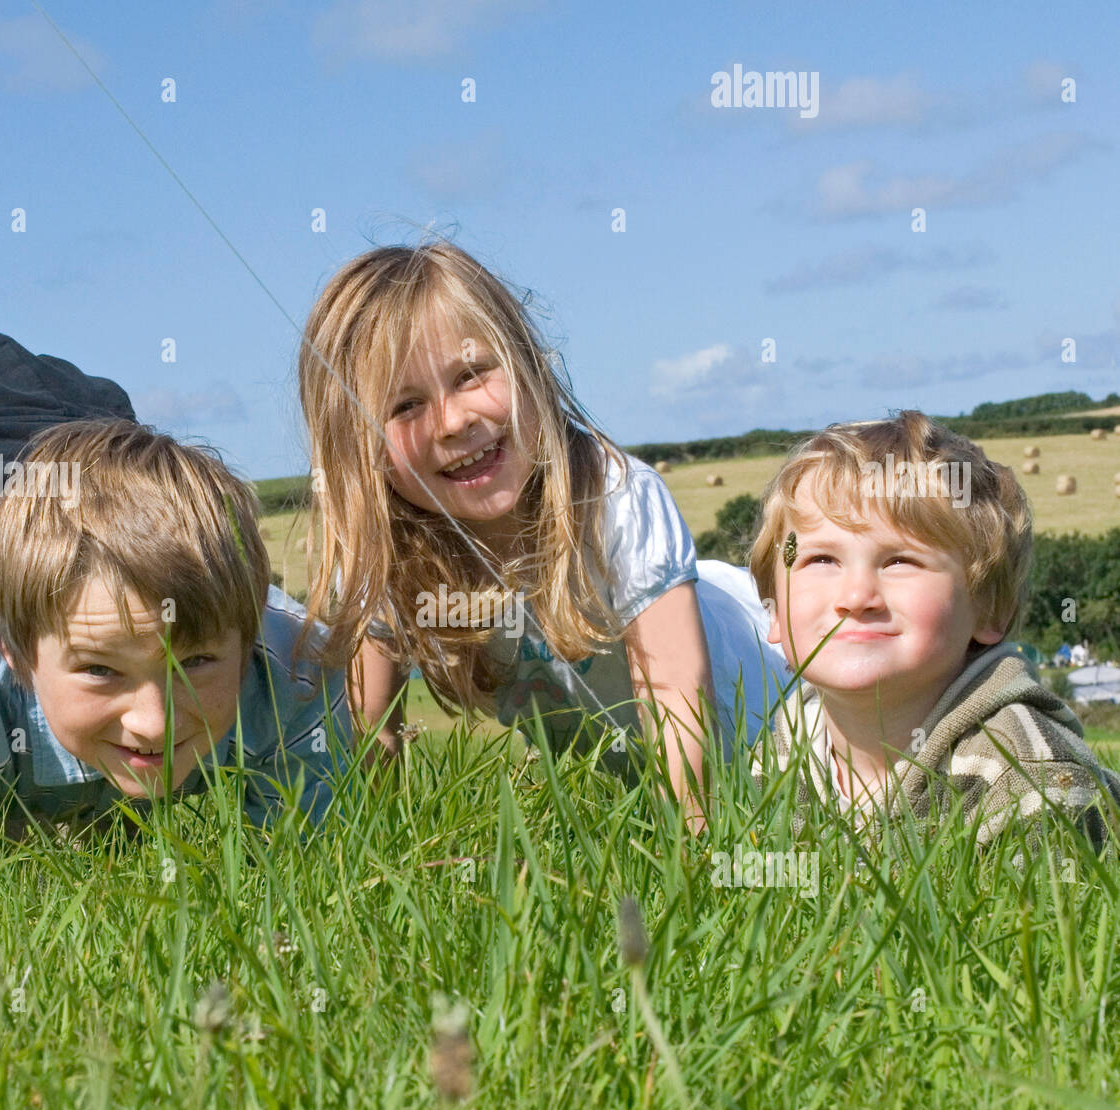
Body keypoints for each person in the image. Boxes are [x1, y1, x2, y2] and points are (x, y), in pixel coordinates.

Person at [297, 241, 787, 822]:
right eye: (405, 406)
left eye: (472, 373)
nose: (454, 421)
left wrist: (696, 841)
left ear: (528, 363)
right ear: (360, 450)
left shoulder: (613, 498)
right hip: (619, 781)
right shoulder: (385, 556)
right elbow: (370, 734)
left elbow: (677, 700)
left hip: (769, 731)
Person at [0, 332, 347, 844]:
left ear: (251, 630)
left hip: (62, 422)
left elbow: (312, 854)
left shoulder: (297, 665)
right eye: (99, 669)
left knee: (99, 825)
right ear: (16, 653)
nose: (153, 724)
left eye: (195, 662)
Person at [750, 410, 1120, 848]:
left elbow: (1044, 913)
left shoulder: (1024, 769)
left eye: (900, 561)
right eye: (821, 560)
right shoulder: (785, 745)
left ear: (989, 610)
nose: (855, 596)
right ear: (773, 609)